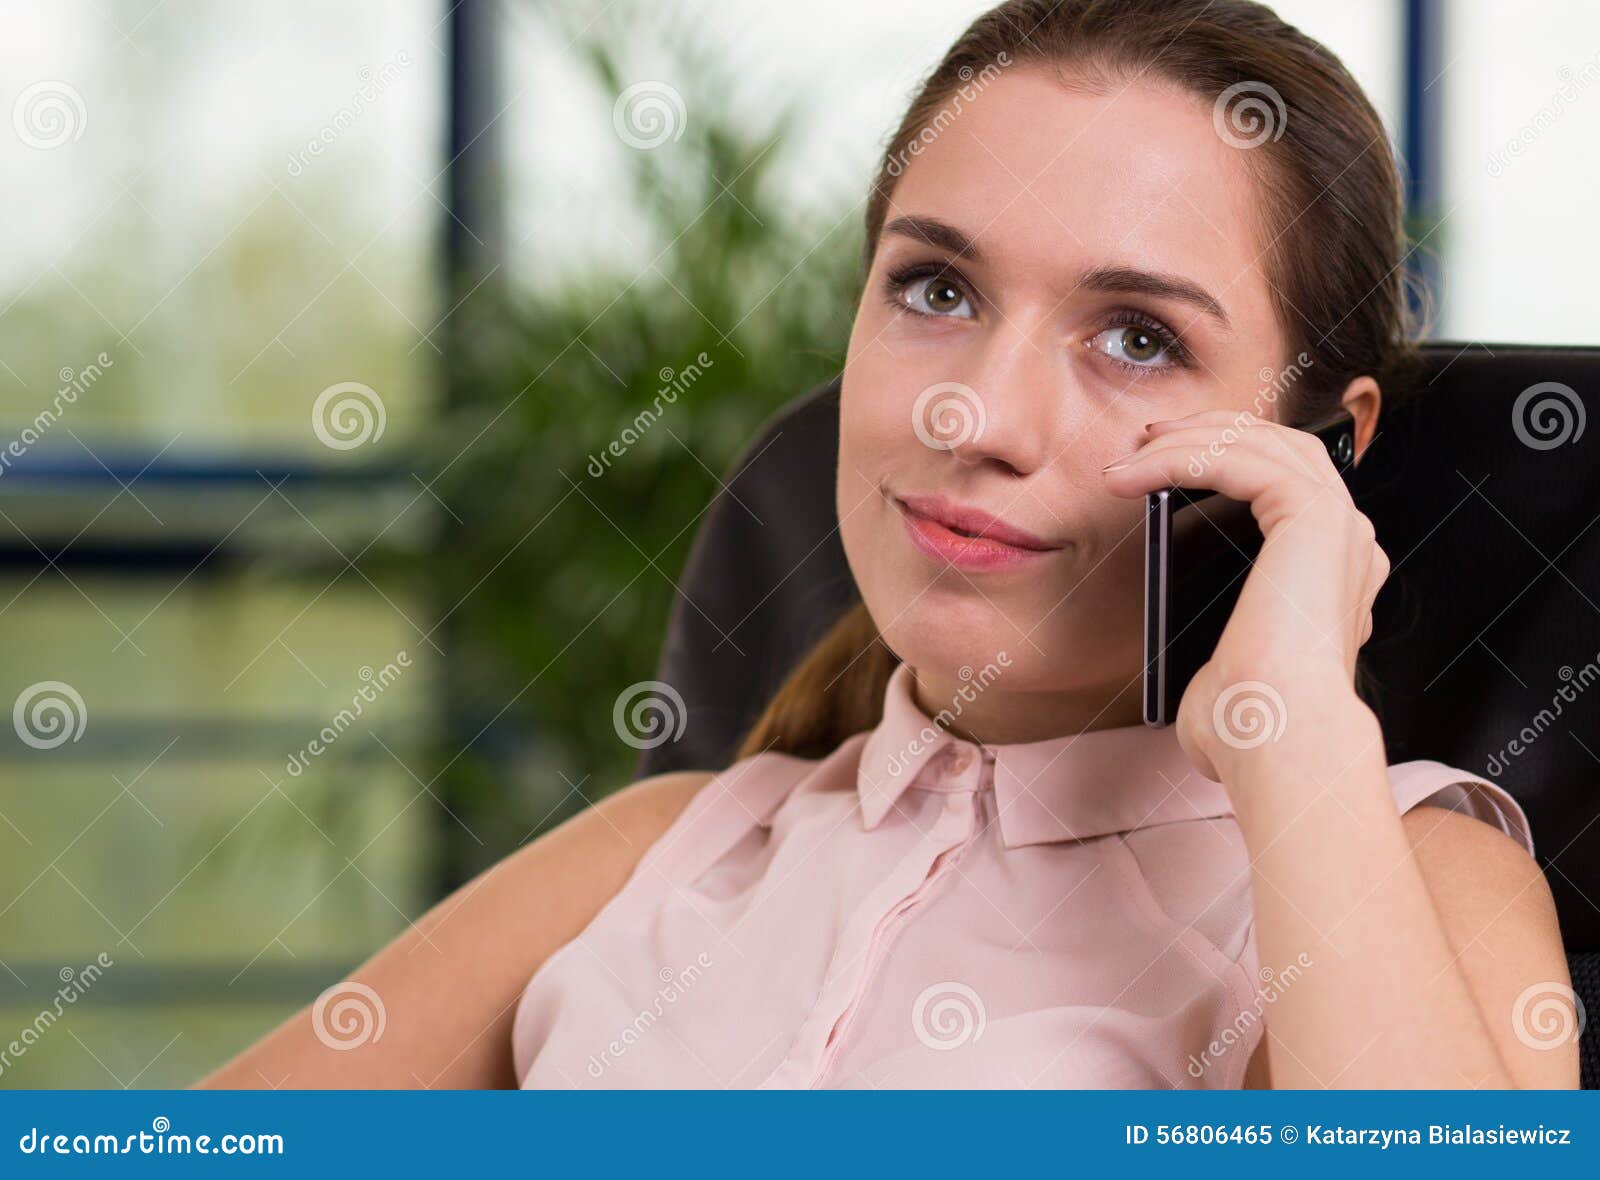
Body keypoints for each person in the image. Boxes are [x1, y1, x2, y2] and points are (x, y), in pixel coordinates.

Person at [198, 0, 1577, 1090]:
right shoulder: (670, 847)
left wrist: (1293, 744)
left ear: (1324, 448)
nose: (975, 413)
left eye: (1140, 338)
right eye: (934, 288)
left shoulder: (1418, 874)